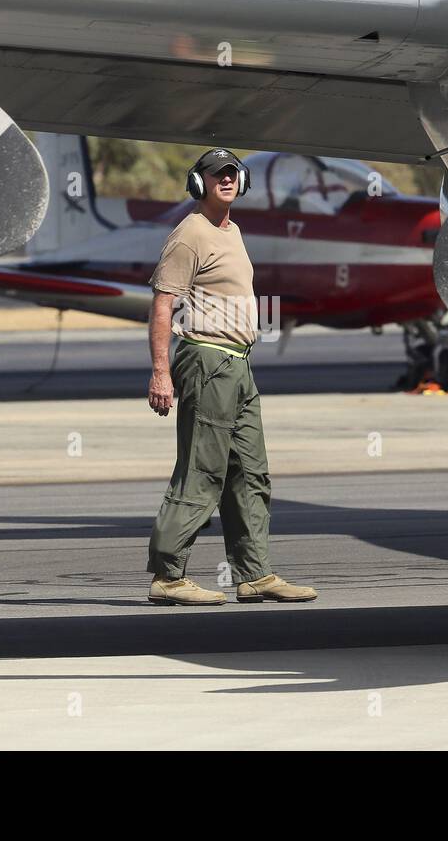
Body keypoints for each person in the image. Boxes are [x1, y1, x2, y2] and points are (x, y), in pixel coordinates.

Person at [145, 148, 318, 606]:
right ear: (198, 182)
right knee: (202, 469)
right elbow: (164, 305)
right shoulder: (190, 234)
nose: (225, 179)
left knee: (251, 472)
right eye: (216, 174)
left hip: (238, 363)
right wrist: (161, 372)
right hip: (206, 361)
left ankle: (254, 574)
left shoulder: (232, 231)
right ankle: (167, 575)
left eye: (231, 174)